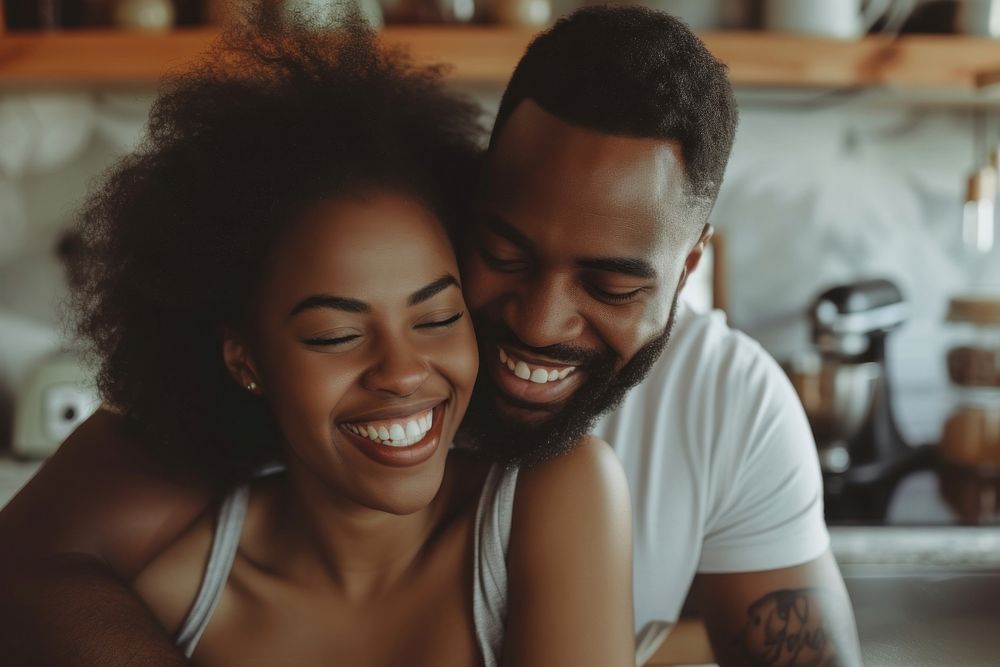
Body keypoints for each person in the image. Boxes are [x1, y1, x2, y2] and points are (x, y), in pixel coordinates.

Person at [0, 6, 863, 666]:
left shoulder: (722, 403)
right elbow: (29, 560)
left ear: (684, 271)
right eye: (504, 253)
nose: (536, 318)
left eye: (608, 282)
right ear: (464, 207)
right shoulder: (266, 384)